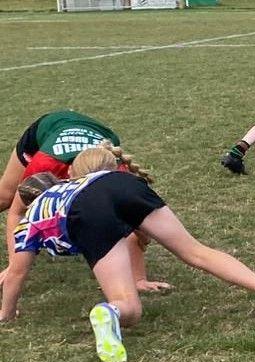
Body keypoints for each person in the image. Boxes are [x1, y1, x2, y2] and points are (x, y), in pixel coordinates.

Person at [0, 148, 255, 362]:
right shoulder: (86, 181)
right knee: (195, 251)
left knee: (130, 309)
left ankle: (110, 312)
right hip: (123, 186)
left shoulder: (32, 218)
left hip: (86, 213)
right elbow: (135, 234)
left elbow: (16, 272)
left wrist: (7, 313)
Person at [1, 113, 166, 290]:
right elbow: (17, 212)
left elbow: (133, 227)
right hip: (50, 127)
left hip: (97, 133)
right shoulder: (45, 165)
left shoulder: (119, 176)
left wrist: (138, 279)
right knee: (5, 197)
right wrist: (14, 267)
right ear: (70, 174)